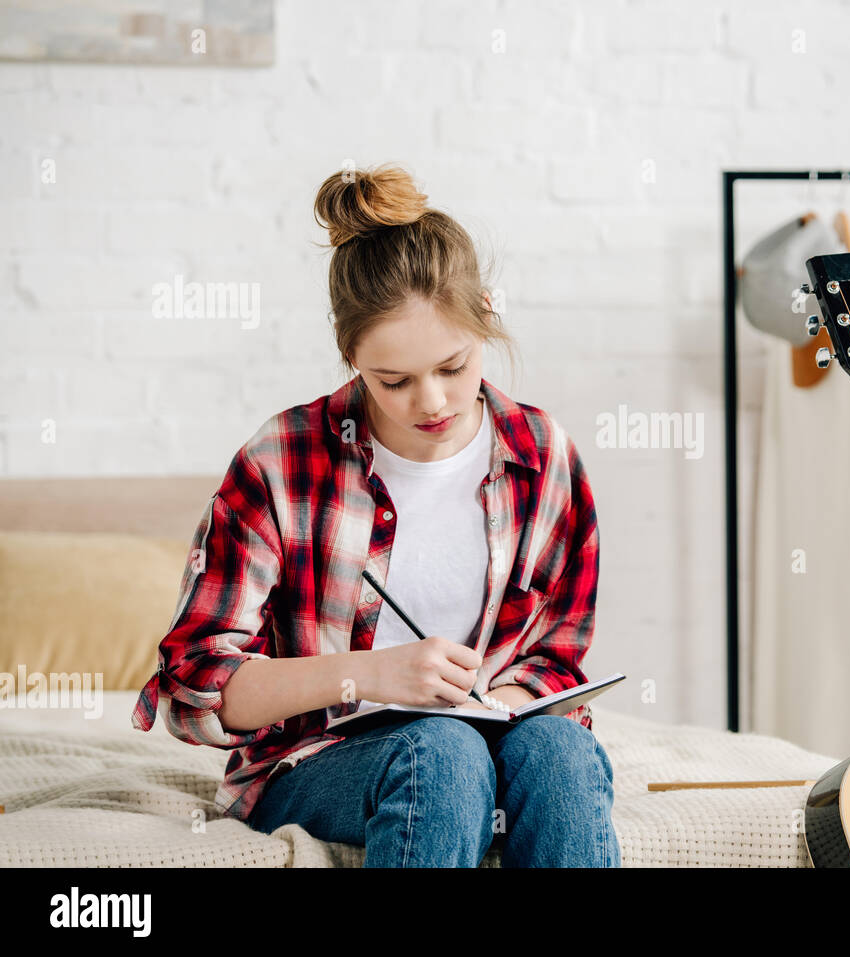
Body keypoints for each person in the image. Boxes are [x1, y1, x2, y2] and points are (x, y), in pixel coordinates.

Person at [130, 163, 619, 868]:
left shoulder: (544, 457)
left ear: (485, 313)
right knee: (441, 753)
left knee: (563, 747)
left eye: (454, 365)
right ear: (350, 354)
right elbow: (194, 685)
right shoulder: (281, 461)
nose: (433, 402)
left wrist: (496, 703)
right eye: (395, 380)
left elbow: (555, 657)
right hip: (316, 760)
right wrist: (374, 675)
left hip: (484, 743)